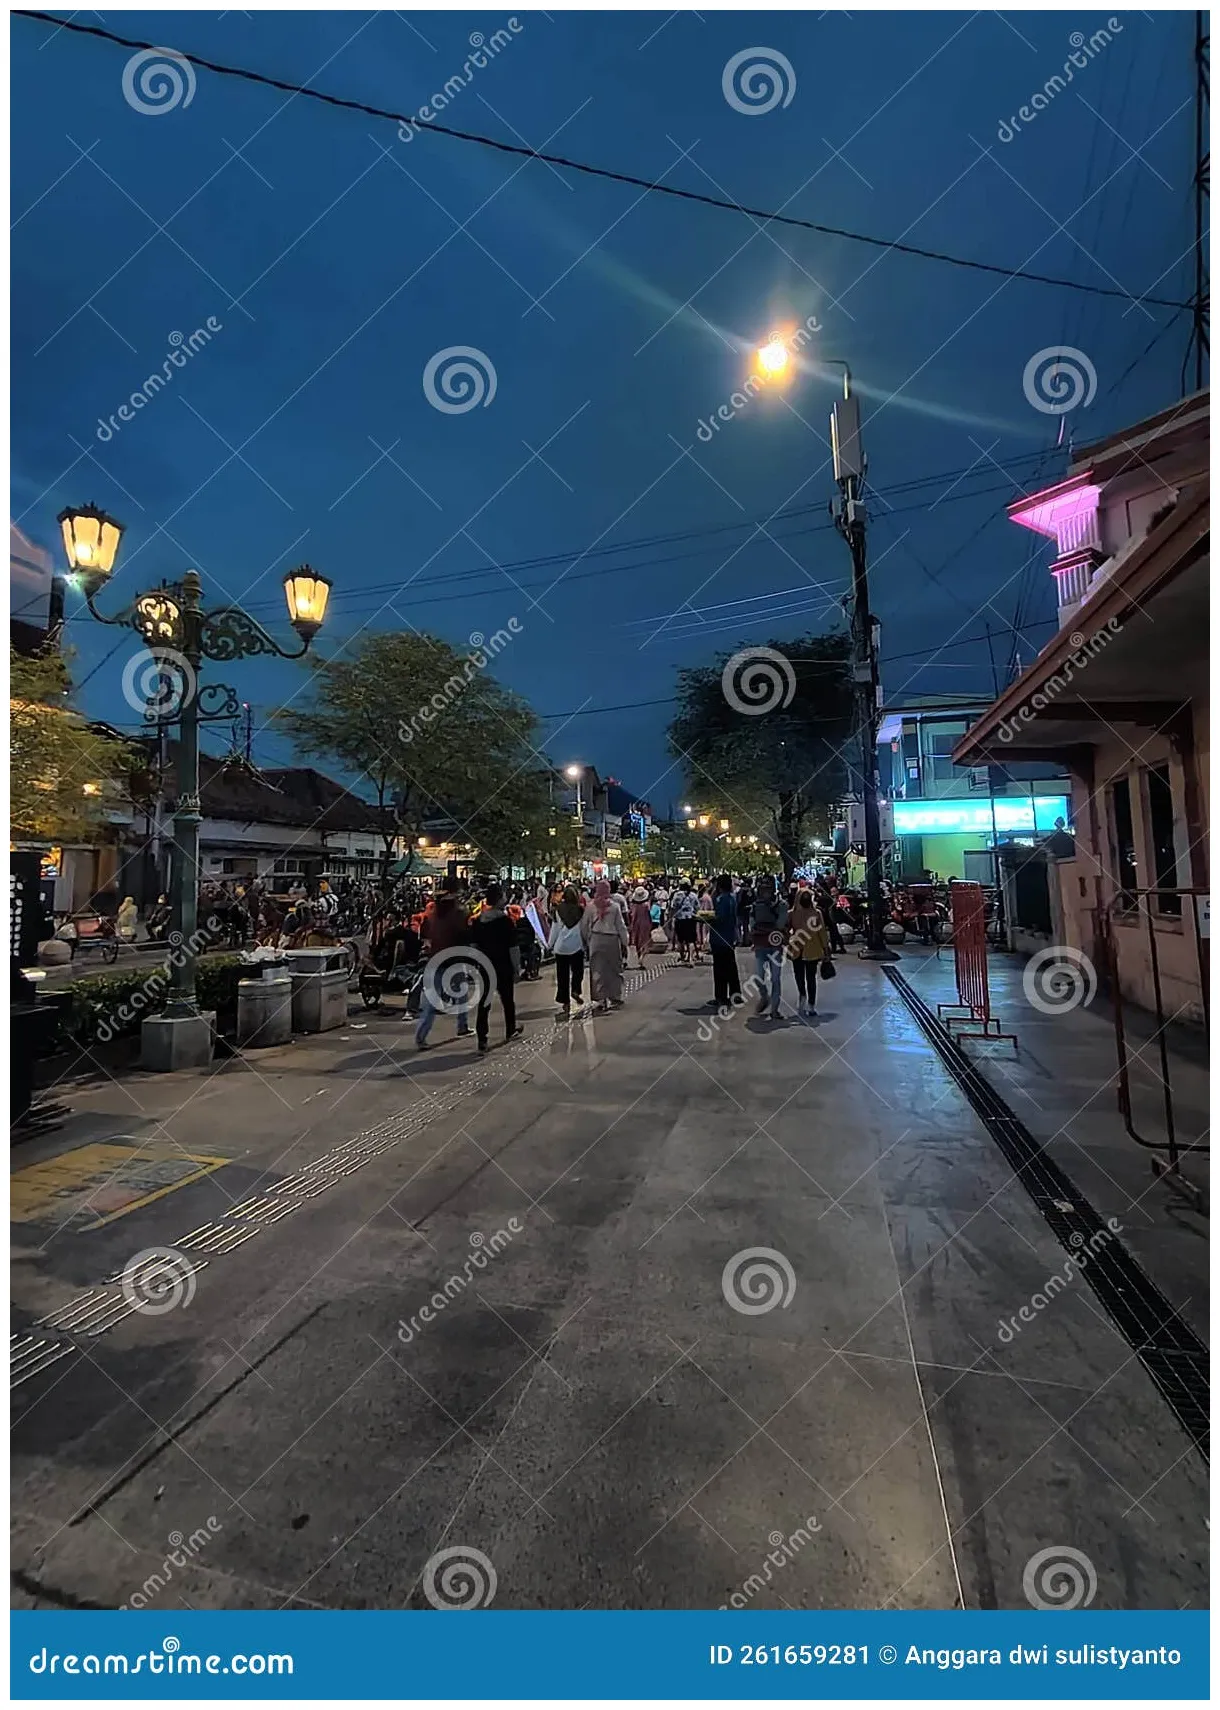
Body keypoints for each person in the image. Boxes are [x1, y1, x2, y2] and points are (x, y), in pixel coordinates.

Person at [415, 880, 474, 1049]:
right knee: (461, 994)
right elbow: (466, 935)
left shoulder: (434, 913)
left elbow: (426, 933)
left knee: (431, 1000)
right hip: (454, 960)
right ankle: (462, 1026)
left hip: (436, 959)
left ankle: (421, 1036)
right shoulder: (459, 913)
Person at [471, 883, 523, 1054]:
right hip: (503, 965)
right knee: (507, 1000)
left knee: (484, 1002)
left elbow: (474, 946)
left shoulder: (478, 921)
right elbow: (513, 948)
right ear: (500, 899)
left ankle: (482, 1039)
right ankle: (510, 1030)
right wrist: (517, 968)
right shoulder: (505, 921)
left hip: (485, 966)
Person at [585, 879, 628, 1010]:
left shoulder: (591, 906)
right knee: (614, 969)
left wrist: (587, 940)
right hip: (612, 940)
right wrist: (625, 942)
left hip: (596, 939)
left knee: (597, 970)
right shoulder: (614, 906)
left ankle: (600, 999)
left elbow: (584, 925)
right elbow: (620, 926)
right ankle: (615, 996)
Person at [751, 874, 789, 1019]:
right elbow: (752, 924)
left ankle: (774, 1010)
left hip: (775, 946)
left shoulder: (781, 904)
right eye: (763, 888)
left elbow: (780, 924)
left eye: (767, 888)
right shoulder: (756, 905)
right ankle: (764, 996)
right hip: (761, 944)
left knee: (775, 979)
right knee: (758, 977)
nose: (764, 891)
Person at [548, 884, 587, 1016]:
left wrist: (549, 945)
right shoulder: (580, 910)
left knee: (562, 975)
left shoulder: (558, 910)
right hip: (576, 945)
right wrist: (586, 942)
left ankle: (565, 1001)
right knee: (578, 971)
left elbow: (555, 929)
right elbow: (583, 928)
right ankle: (575, 989)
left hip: (561, 947)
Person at [789, 888, 830, 1015]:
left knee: (808, 977)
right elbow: (785, 929)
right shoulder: (793, 913)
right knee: (803, 977)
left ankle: (808, 1001)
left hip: (808, 950)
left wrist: (826, 948)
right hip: (801, 950)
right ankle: (805, 997)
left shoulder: (815, 913)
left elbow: (822, 932)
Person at [708, 873, 741, 1007]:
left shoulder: (721, 899)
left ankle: (721, 996)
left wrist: (708, 918)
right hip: (729, 937)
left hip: (719, 938)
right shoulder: (732, 898)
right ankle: (735, 994)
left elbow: (719, 918)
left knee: (720, 969)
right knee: (731, 968)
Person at [671, 881, 698, 965]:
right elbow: (697, 907)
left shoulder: (677, 895)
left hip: (680, 919)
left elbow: (673, 906)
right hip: (690, 919)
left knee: (680, 940)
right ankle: (691, 959)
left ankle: (682, 958)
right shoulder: (693, 895)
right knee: (691, 940)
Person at [628, 884, 652, 967]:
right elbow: (650, 915)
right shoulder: (646, 905)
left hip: (636, 924)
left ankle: (639, 957)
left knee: (637, 942)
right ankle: (642, 957)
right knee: (645, 941)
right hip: (645, 923)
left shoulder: (633, 906)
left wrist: (631, 925)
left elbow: (632, 915)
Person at [736, 879, 754, 946]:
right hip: (748, 909)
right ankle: (747, 941)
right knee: (746, 926)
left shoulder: (742, 891)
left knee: (739, 926)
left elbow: (739, 900)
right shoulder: (751, 890)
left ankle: (741, 940)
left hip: (741, 910)